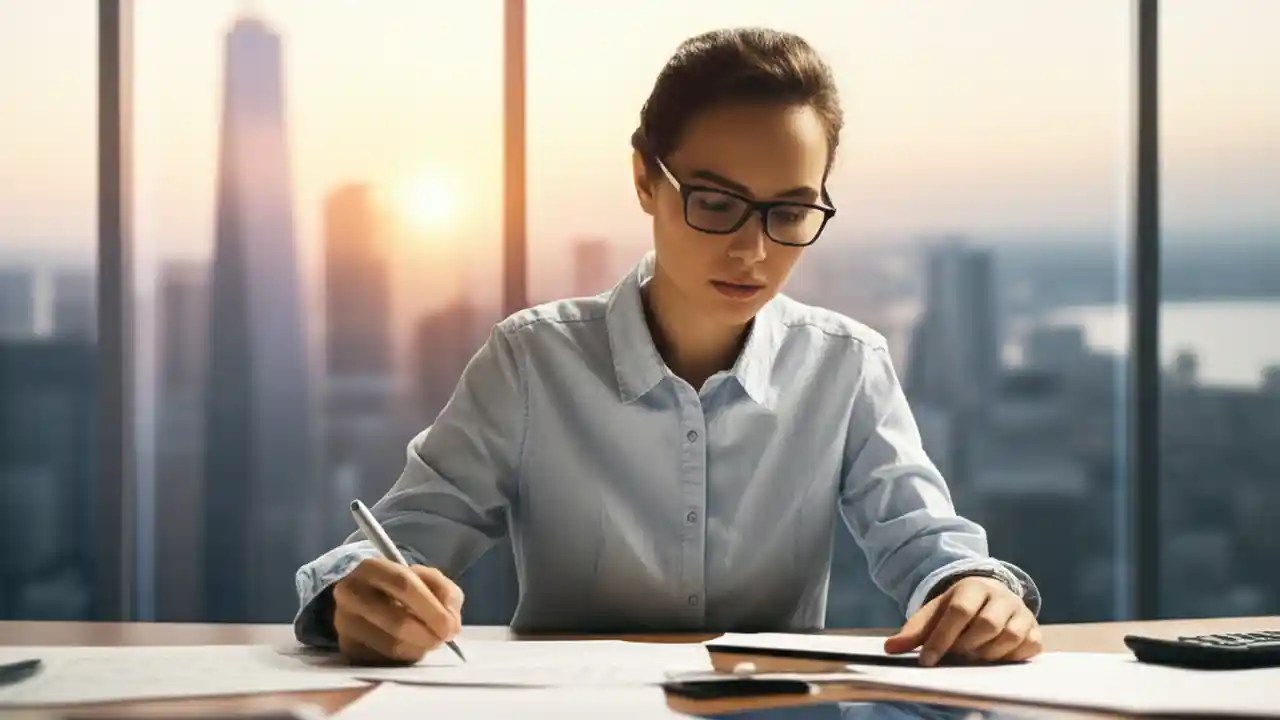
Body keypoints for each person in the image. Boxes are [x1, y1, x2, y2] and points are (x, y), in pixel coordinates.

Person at [294, 27, 1042, 667]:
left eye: (788, 211)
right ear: (646, 181)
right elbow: (407, 537)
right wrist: (357, 596)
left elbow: (923, 540)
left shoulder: (846, 364)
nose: (752, 249)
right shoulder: (531, 361)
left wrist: (971, 591)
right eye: (715, 203)